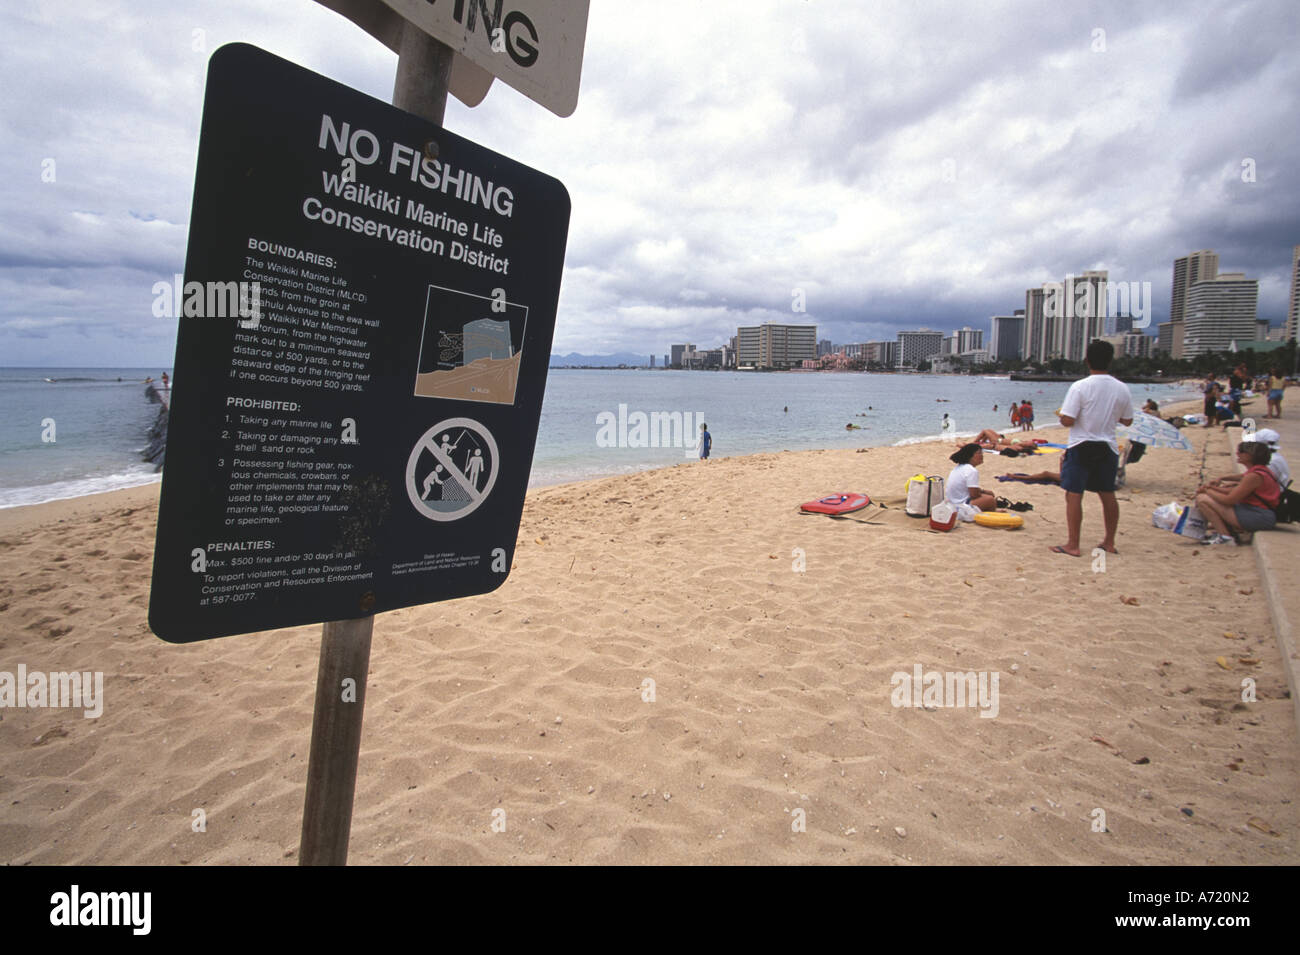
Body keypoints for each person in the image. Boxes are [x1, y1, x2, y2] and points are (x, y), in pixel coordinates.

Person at [1049, 339, 1134, 557]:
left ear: (1087, 360)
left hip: (1081, 444)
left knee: (1074, 494)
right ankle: (1109, 541)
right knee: (1107, 494)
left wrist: (1062, 416)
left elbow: (1068, 420)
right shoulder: (1122, 388)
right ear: (1110, 361)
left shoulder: (1080, 387)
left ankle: (1073, 544)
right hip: (1108, 446)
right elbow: (1127, 421)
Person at [1195, 441, 1281, 544]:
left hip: (1259, 516)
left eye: (1241, 452)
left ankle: (1225, 537)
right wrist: (1212, 488)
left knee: (1203, 499)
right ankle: (1224, 533)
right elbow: (1234, 489)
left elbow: (1229, 500)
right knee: (1207, 497)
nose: (1237, 454)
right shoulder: (1260, 471)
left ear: (1250, 456)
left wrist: (1207, 491)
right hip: (1258, 513)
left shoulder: (1254, 476)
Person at [946, 443, 996, 513]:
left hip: (952, 503)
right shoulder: (971, 470)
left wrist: (983, 492)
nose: (982, 456)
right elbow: (974, 495)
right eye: (979, 453)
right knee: (990, 499)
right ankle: (992, 514)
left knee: (988, 495)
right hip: (961, 505)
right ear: (970, 456)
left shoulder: (958, 468)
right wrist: (984, 492)